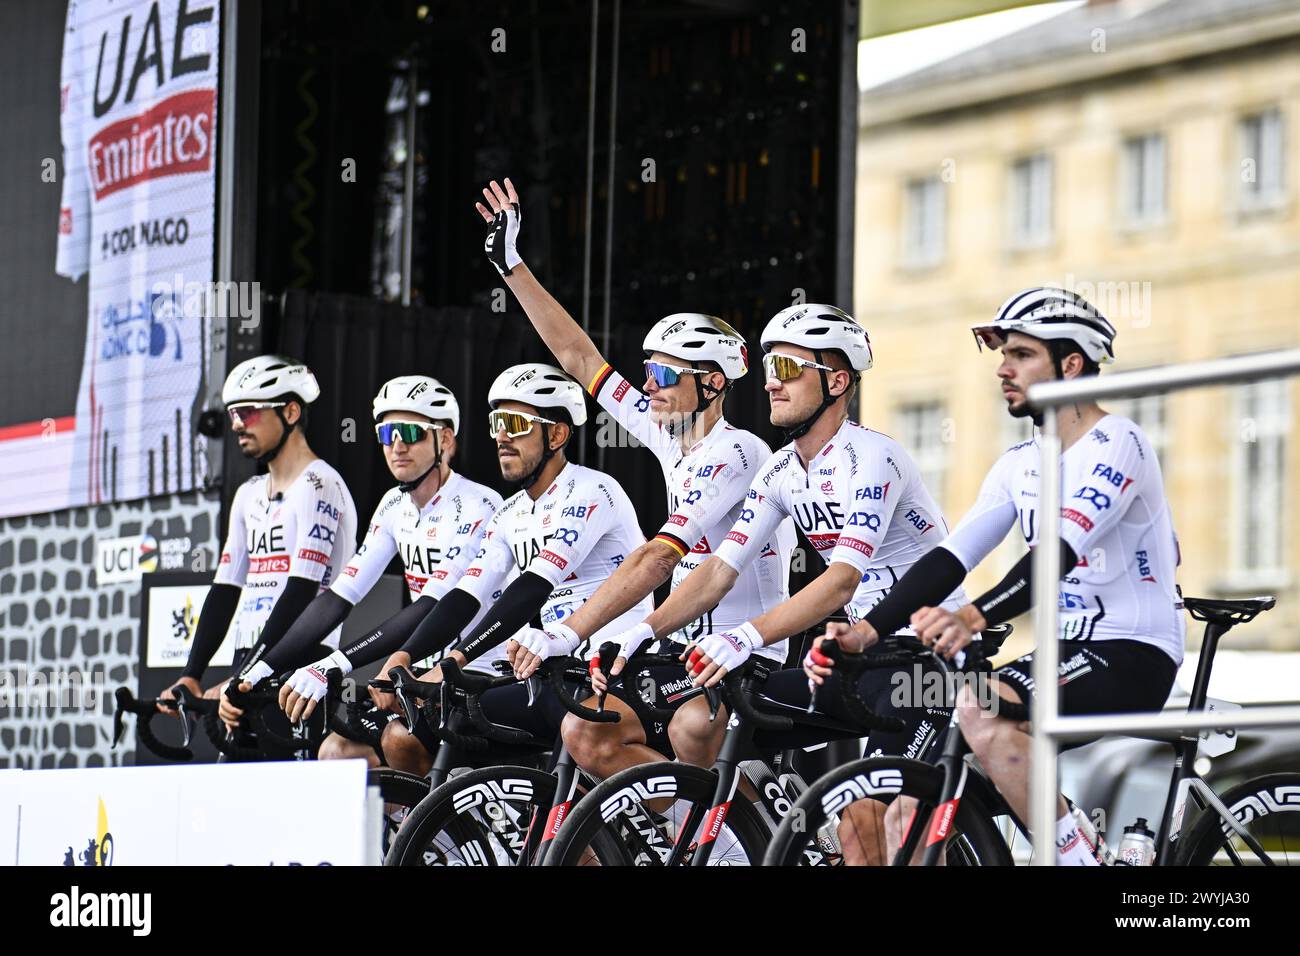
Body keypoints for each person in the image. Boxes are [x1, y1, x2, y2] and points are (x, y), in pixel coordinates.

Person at [806, 286, 1183, 866]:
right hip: (1065, 651)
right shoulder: (1019, 464)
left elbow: (1057, 553)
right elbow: (949, 559)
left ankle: (1083, 860)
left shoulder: (1118, 442)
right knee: (921, 788)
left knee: (979, 708)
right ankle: (1069, 841)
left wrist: (970, 617)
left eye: (1022, 354)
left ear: (1071, 363)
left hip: (1132, 650)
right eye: (1002, 353)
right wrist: (867, 633)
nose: (1003, 369)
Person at [474, 177, 794, 783]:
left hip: (743, 652)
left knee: (688, 729)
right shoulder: (665, 429)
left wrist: (569, 631)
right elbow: (580, 358)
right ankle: (687, 832)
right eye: (648, 370)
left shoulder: (737, 453)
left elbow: (655, 559)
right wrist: (511, 265)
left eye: (664, 374)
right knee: (586, 732)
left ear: (712, 382)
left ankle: (727, 846)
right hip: (677, 649)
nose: (648, 385)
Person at [594, 302, 968, 788]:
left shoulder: (875, 457)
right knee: (718, 719)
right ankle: (775, 814)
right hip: (868, 654)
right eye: (770, 368)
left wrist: (745, 636)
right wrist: (644, 629)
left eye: (788, 369)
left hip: (932, 659)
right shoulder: (779, 470)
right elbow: (719, 571)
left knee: (880, 825)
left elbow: (840, 583)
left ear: (837, 382)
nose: (771, 381)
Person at [357, 364, 654, 776]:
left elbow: (531, 589)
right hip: (555, 674)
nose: (501, 436)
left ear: (557, 434)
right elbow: (464, 596)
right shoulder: (510, 513)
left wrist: (457, 659)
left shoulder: (593, 490)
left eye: (515, 424)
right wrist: (406, 655)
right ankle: (465, 840)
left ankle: (700, 827)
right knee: (407, 734)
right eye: (497, 423)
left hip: (615, 673)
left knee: (573, 778)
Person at [226, 376, 500, 765]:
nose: (397, 445)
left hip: (477, 667)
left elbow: (430, 605)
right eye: (387, 433)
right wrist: (258, 669)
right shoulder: (393, 506)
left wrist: (332, 663)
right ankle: (402, 822)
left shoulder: (479, 504)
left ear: (447, 441)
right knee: (336, 754)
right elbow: (339, 597)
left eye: (410, 432)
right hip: (419, 669)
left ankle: (432, 826)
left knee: (400, 741)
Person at [161, 356, 356, 727]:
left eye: (248, 413)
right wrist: (193, 672)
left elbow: (302, 590)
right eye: (233, 414)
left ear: (292, 411)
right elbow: (225, 588)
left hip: (300, 661)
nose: (236, 425)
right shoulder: (248, 493)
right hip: (251, 658)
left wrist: (250, 672)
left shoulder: (320, 484)